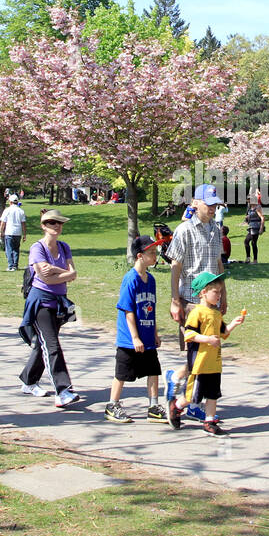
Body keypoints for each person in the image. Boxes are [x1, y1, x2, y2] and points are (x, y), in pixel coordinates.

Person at [163, 184, 227, 423]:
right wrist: (174, 301)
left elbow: (219, 263)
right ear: (195, 203)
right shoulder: (184, 230)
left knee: (205, 358)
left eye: (215, 205)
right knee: (198, 358)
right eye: (208, 204)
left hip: (212, 302)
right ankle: (183, 395)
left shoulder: (215, 229)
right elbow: (175, 267)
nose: (212, 209)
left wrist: (224, 294)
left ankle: (182, 388)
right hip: (190, 300)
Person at [170, 271, 245, 435]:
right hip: (199, 363)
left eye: (220, 292)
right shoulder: (197, 313)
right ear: (203, 292)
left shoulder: (216, 313)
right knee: (191, 396)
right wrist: (207, 340)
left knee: (213, 394)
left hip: (214, 363)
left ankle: (209, 422)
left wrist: (233, 323)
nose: (219, 295)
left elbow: (223, 332)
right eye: (216, 292)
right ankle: (176, 406)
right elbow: (189, 335)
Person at [19, 209, 81, 407]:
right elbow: (45, 278)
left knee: (44, 344)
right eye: (52, 223)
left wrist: (56, 270)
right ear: (44, 226)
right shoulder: (37, 248)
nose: (57, 226)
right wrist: (66, 272)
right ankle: (63, 390)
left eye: (59, 223)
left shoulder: (64, 247)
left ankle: (28, 380)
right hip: (41, 303)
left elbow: (73, 274)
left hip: (60, 303)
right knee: (52, 345)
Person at [106, 234, 166, 424]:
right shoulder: (130, 279)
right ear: (140, 255)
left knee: (154, 370)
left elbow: (151, 308)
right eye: (151, 252)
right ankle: (112, 405)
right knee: (122, 373)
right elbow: (127, 310)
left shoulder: (151, 280)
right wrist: (135, 338)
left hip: (147, 336)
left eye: (155, 252)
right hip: (129, 339)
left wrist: (155, 333)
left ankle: (154, 407)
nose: (155, 256)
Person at [0, 193, 27, 271]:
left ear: (10, 202)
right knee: (16, 249)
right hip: (18, 232)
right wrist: (24, 234)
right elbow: (23, 223)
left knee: (9, 249)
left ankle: (10, 265)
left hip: (9, 231)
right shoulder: (21, 211)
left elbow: (3, 222)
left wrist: (1, 231)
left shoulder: (7, 210)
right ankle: (15, 265)